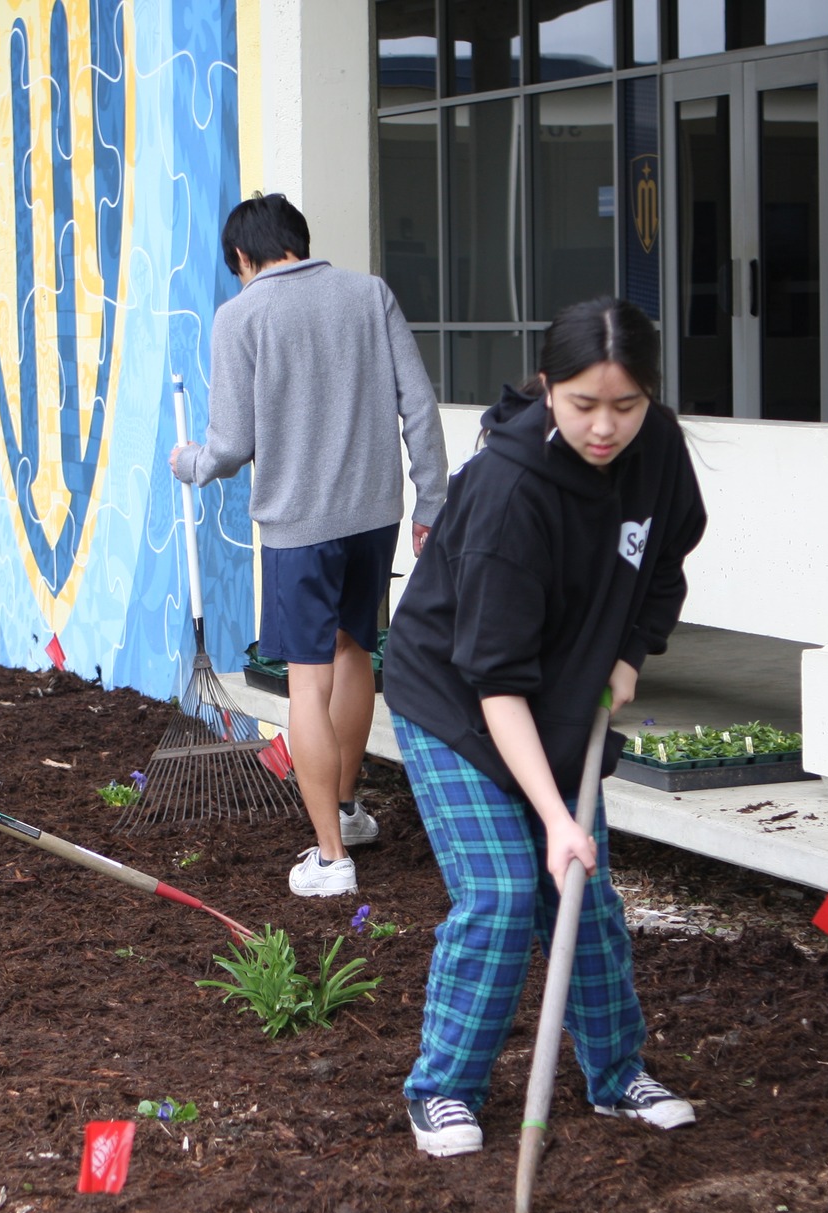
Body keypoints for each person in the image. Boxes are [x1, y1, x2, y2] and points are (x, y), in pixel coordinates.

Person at [380, 296, 707, 1157]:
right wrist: (559, 817)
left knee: (582, 891)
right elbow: (492, 682)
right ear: (547, 387)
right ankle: (442, 1087)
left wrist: (633, 650)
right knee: (500, 891)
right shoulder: (507, 490)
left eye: (626, 406)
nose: (606, 427)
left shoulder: (659, 450)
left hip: (557, 692)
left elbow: (668, 556)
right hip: (457, 699)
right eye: (583, 405)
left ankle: (616, 1074)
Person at [170, 193, 448, 899]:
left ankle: (331, 857)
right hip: (374, 515)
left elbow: (230, 447)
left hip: (300, 527)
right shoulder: (368, 294)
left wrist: (191, 463)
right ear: (301, 240)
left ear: (243, 258)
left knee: (306, 679)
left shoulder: (241, 316)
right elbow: (418, 403)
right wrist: (431, 501)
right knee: (356, 648)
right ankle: (348, 811)